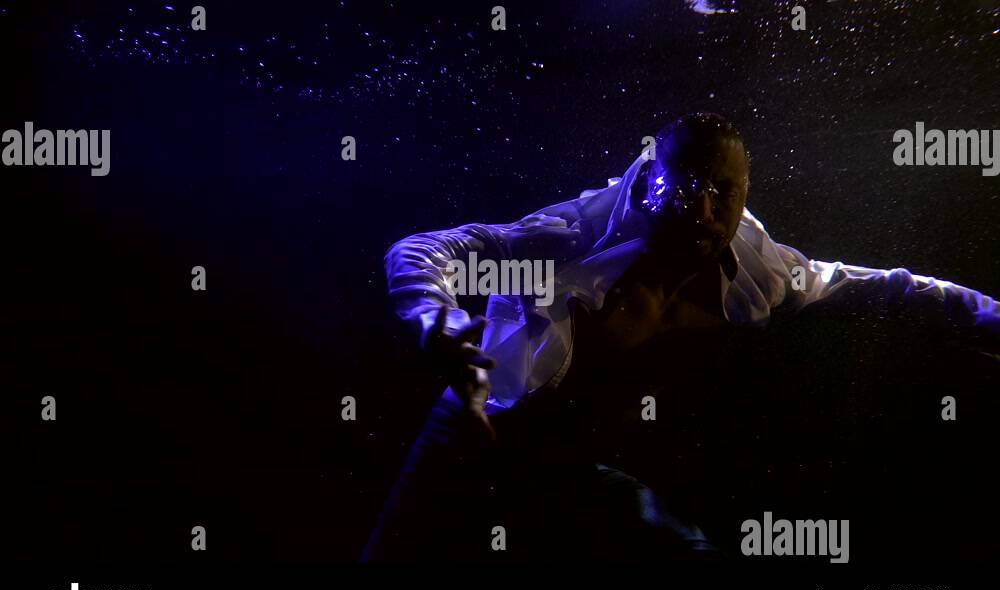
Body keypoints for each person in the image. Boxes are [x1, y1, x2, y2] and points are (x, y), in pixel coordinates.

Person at [363, 113, 1000, 562]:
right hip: (474, 433)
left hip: (578, 463)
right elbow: (426, 249)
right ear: (645, 185)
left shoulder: (762, 272)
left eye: (723, 191)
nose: (703, 210)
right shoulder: (571, 236)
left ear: (745, 194)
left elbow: (891, 287)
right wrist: (436, 322)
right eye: (686, 186)